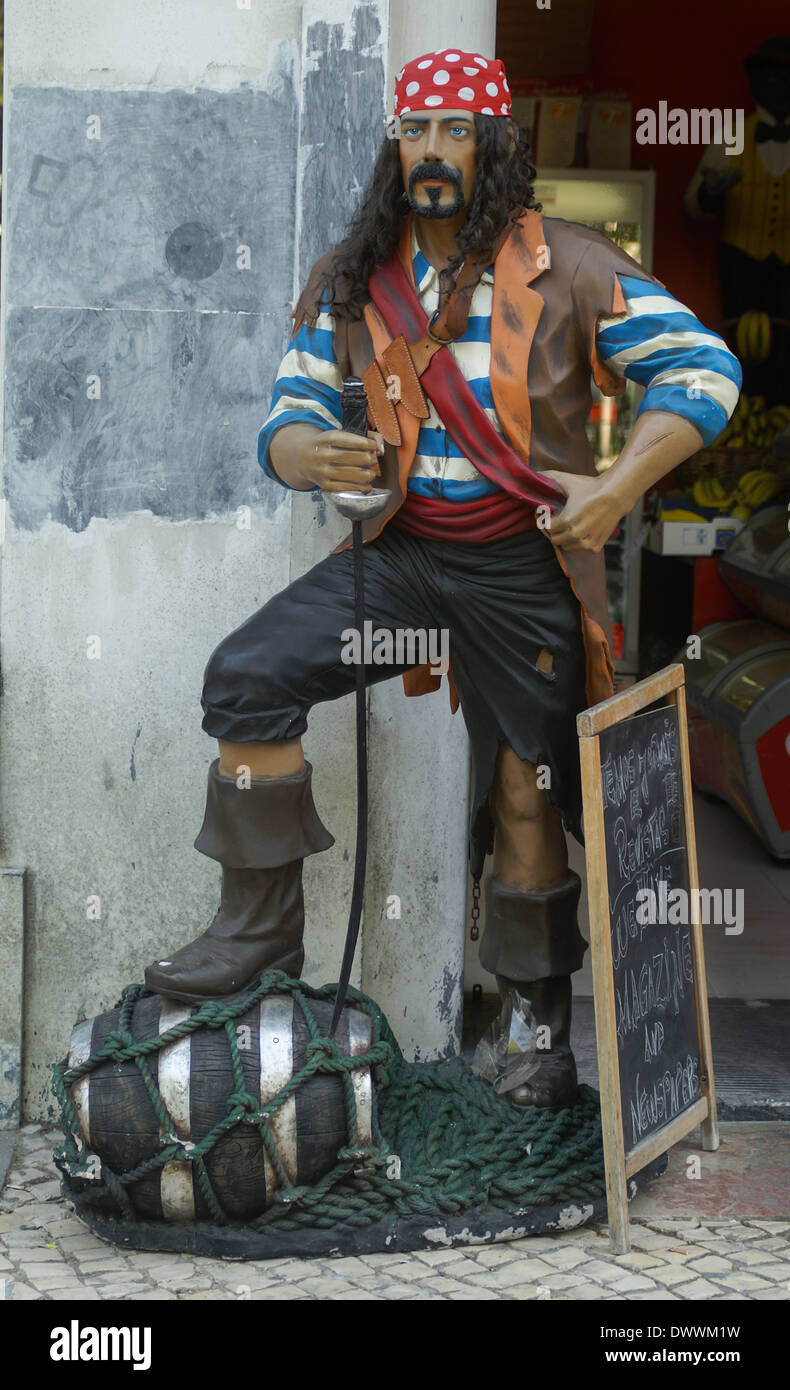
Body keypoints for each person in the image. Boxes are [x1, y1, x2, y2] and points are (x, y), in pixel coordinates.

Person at [144, 49, 741, 1108]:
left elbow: (703, 369)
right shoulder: (349, 278)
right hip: (403, 560)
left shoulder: (573, 265)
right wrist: (306, 457)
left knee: (526, 788)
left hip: (520, 566)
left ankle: (533, 1028)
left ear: (495, 145)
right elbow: (289, 413)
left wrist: (612, 489)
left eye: (455, 130)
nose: (431, 150)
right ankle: (258, 932)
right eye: (415, 129)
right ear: (394, 147)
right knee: (245, 675)